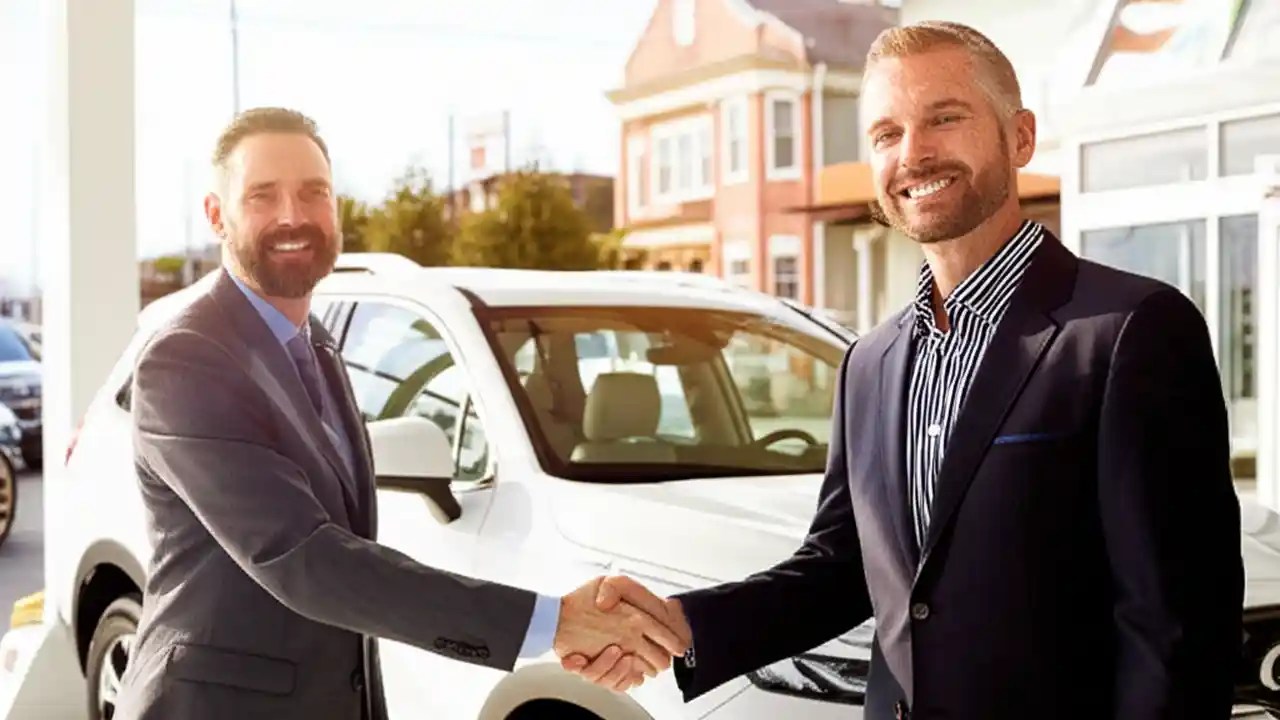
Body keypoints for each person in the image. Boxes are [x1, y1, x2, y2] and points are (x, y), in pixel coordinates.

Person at [564, 20, 1243, 720]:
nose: (913, 155)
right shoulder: (869, 364)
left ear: (1020, 138)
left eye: (944, 119)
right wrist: (679, 624)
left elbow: (1178, 625)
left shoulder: (1130, 332)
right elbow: (840, 570)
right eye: (886, 134)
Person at [116, 107, 688, 720]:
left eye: (314, 192)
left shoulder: (317, 346)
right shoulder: (188, 358)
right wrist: (552, 623)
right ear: (216, 215)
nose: (293, 215)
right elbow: (306, 559)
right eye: (262, 195)